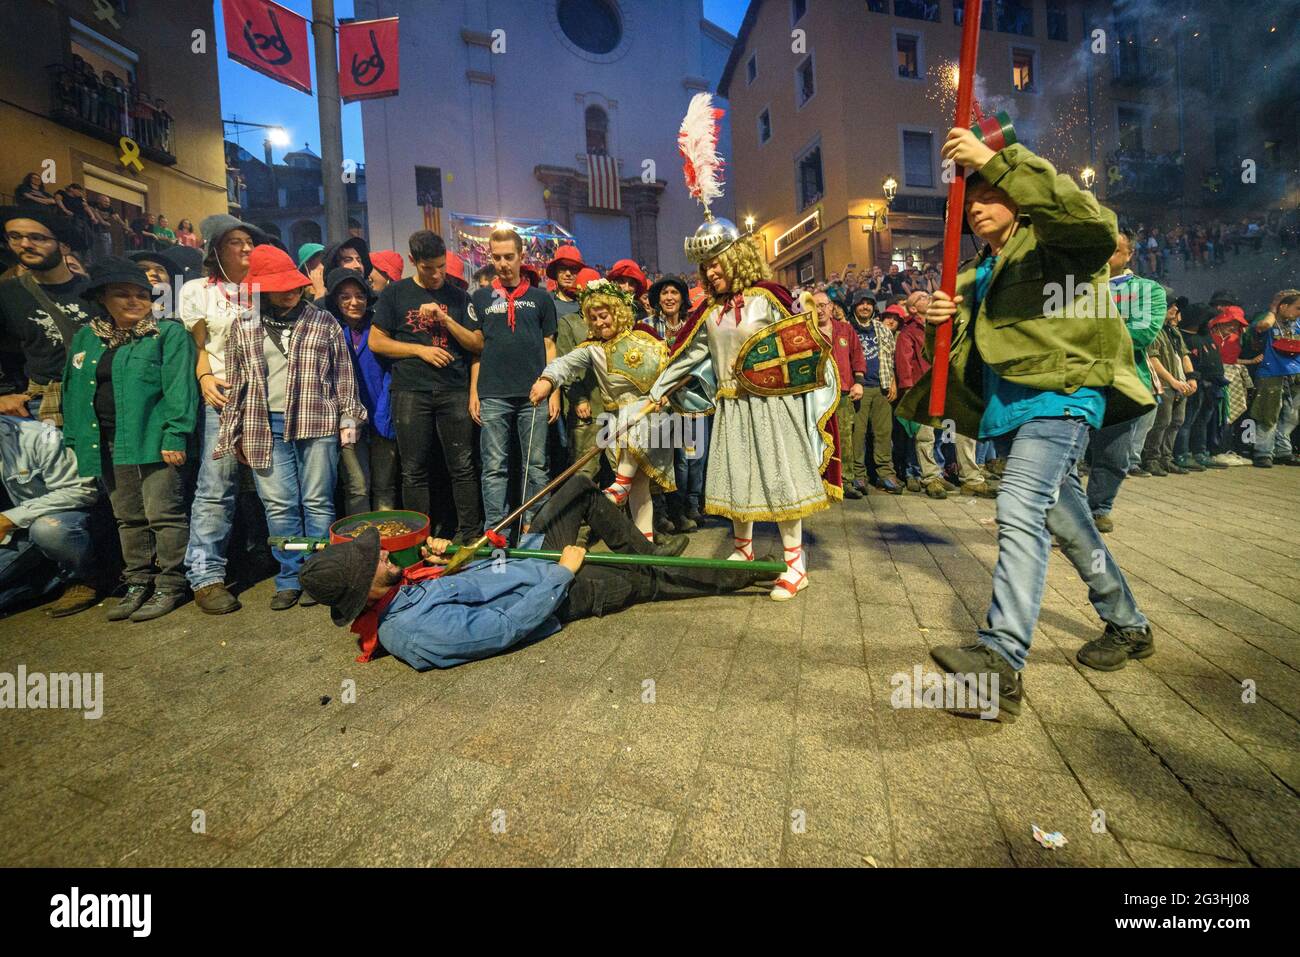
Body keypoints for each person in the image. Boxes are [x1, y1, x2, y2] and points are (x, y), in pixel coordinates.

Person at [899, 128, 1155, 718]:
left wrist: (994, 157)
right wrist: (945, 317)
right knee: (1069, 524)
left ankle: (1002, 662)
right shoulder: (977, 272)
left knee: (1017, 503)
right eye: (970, 201)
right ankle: (1129, 623)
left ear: (1018, 191)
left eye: (991, 192)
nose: (978, 207)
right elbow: (971, 350)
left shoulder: (1058, 242)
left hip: (1061, 396)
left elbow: (1092, 225)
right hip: (1013, 409)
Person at [649, 98, 840, 601]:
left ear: (735, 258)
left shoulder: (768, 299)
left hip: (773, 404)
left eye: (717, 262)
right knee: (736, 480)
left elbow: (803, 348)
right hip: (733, 405)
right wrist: (656, 394)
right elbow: (688, 357)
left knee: (781, 483)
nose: (710, 272)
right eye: (705, 266)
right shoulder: (708, 313)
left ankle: (796, 564)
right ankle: (744, 549)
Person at [299, 474, 773, 670]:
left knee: (578, 488)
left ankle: (645, 549)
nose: (384, 556)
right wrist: (563, 574)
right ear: (362, 591)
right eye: (374, 562)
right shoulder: (414, 634)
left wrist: (456, 555)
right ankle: (744, 575)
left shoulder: (400, 589)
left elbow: (479, 576)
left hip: (523, 562)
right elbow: (504, 628)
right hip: (554, 591)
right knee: (651, 582)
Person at [213, 245, 366, 610]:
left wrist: (348, 421)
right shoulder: (242, 325)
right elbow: (237, 384)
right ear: (261, 289)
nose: (291, 291)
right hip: (263, 424)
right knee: (279, 506)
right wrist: (232, 433)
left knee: (317, 501)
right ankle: (289, 577)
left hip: (317, 420)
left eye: (294, 285)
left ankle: (319, 575)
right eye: (280, 286)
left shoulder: (323, 321)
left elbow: (343, 376)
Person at [61, 258, 197, 622]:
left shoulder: (167, 333)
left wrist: (176, 433)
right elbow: (72, 389)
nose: (135, 301)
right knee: (127, 516)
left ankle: (171, 583)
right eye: (123, 294)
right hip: (105, 440)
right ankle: (138, 581)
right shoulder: (87, 337)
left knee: (164, 513)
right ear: (103, 297)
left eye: (142, 294)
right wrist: (74, 437)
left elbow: (179, 389)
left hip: (154, 438)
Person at [531, 279, 685, 544]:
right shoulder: (592, 348)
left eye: (604, 316)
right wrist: (547, 380)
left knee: (635, 481)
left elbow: (668, 371)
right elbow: (564, 364)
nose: (600, 322)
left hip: (650, 421)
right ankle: (644, 543)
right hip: (618, 425)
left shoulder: (645, 338)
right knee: (639, 487)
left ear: (617, 313)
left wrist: (663, 395)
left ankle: (621, 486)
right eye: (594, 318)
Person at [368, 230, 482, 541]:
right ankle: (418, 537)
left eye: (441, 266)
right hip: (410, 390)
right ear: (412, 262)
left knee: (462, 465)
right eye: (428, 267)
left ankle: (470, 534)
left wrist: (447, 321)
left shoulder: (459, 297)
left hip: (454, 390)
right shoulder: (395, 294)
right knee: (413, 469)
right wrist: (419, 349)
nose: (436, 274)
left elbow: (477, 343)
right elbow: (376, 341)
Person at [179, 214, 264, 615]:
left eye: (249, 241)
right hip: (224, 396)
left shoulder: (264, 287)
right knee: (217, 485)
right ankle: (205, 576)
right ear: (215, 248)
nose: (246, 248)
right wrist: (204, 376)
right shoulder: (197, 290)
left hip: (267, 398)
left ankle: (272, 559)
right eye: (235, 241)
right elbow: (196, 347)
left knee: (270, 487)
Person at [468, 228, 559, 538]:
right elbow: (477, 351)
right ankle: (497, 532)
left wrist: (553, 389)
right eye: (497, 257)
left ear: (522, 257)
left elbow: (549, 346)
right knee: (494, 468)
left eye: (509, 257)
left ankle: (537, 533)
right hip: (493, 394)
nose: (503, 263)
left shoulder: (540, 299)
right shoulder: (480, 299)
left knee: (536, 466)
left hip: (534, 394)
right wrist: (474, 392)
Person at [1086, 229, 1166, 531]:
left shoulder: (1148, 290)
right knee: (1063, 453)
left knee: (1114, 454)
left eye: (1115, 250)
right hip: (1075, 382)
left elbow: (1141, 334)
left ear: (1130, 254)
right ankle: (1064, 514)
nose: (1106, 256)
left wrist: (1083, 336)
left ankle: (1098, 508)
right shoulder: (1074, 286)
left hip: (1123, 384)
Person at [0, 413, 107, 617]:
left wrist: (11, 518)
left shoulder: (40, 436)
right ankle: (46, 581)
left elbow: (81, 491)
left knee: (49, 529)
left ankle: (83, 578)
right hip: (14, 533)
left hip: (64, 517)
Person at [0, 206, 92, 424]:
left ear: (63, 245)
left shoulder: (96, 291)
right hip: (41, 405)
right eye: (15, 237)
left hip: (99, 399)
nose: (25, 244)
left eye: (37, 237)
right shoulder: (6, 294)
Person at [324, 267, 398, 516]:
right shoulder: (329, 330)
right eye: (345, 296)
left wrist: (386, 414)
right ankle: (359, 545)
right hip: (346, 419)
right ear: (335, 300)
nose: (354, 302)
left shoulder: (381, 327)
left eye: (360, 295)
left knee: (384, 485)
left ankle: (385, 544)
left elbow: (391, 374)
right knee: (356, 485)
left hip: (382, 416)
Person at [648, 275, 708, 529]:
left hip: (692, 398)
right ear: (657, 299)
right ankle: (668, 511)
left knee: (695, 457)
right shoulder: (646, 326)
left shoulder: (693, 326)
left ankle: (691, 505)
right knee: (670, 459)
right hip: (661, 403)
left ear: (683, 298)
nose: (669, 297)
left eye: (674, 292)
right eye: (664, 293)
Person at [547, 244, 601, 483]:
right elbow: (559, 355)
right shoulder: (551, 306)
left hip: (596, 393)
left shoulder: (600, 315)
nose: (568, 274)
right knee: (570, 450)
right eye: (563, 269)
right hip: (561, 385)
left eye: (573, 270)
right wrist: (572, 396)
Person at [847, 290, 900, 494]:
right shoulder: (848, 329)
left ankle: (885, 474)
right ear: (855, 306)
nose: (865, 307)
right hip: (858, 388)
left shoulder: (883, 330)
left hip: (881, 387)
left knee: (883, 433)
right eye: (861, 303)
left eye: (869, 303)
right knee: (857, 435)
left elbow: (891, 357)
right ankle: (858, 475)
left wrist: (893, 382)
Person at [814, 290, 866, 499]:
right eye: (815, 305)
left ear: (831, 306)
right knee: (817, 438)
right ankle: (819, 481)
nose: (820, 310)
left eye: (823, 305)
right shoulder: (806, 330)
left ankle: (846, 479)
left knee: (844, 437)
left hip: (843, 392)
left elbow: (857, 355)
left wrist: (859, 382)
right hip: (816, 395)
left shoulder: (844, 329)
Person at [1247, 289, 1300, 467]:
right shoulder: (1268, 319)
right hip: (1271, 373)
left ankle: (1283, 451)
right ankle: (1263, 452)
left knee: (1292, 416)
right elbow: (1262, 327)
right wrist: (1274, 308)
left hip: (1295, 374)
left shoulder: (1297, 322)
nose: (1299, 312)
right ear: (1284, 306)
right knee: (1268, 415)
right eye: (1297, 308)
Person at [1142, 301, 1195, 476]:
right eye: (1170, 306)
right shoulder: (1152, 329)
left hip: (1180, 383)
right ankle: (1151, 459)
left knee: (1176, 422)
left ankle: (1166, 458)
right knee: (1161, 422)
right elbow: (1153, 359)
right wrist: (1173, 381)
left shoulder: (1173, 331)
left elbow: (1184, 354)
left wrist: (1192, 377)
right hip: (1164, 384)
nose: (1175, 309)